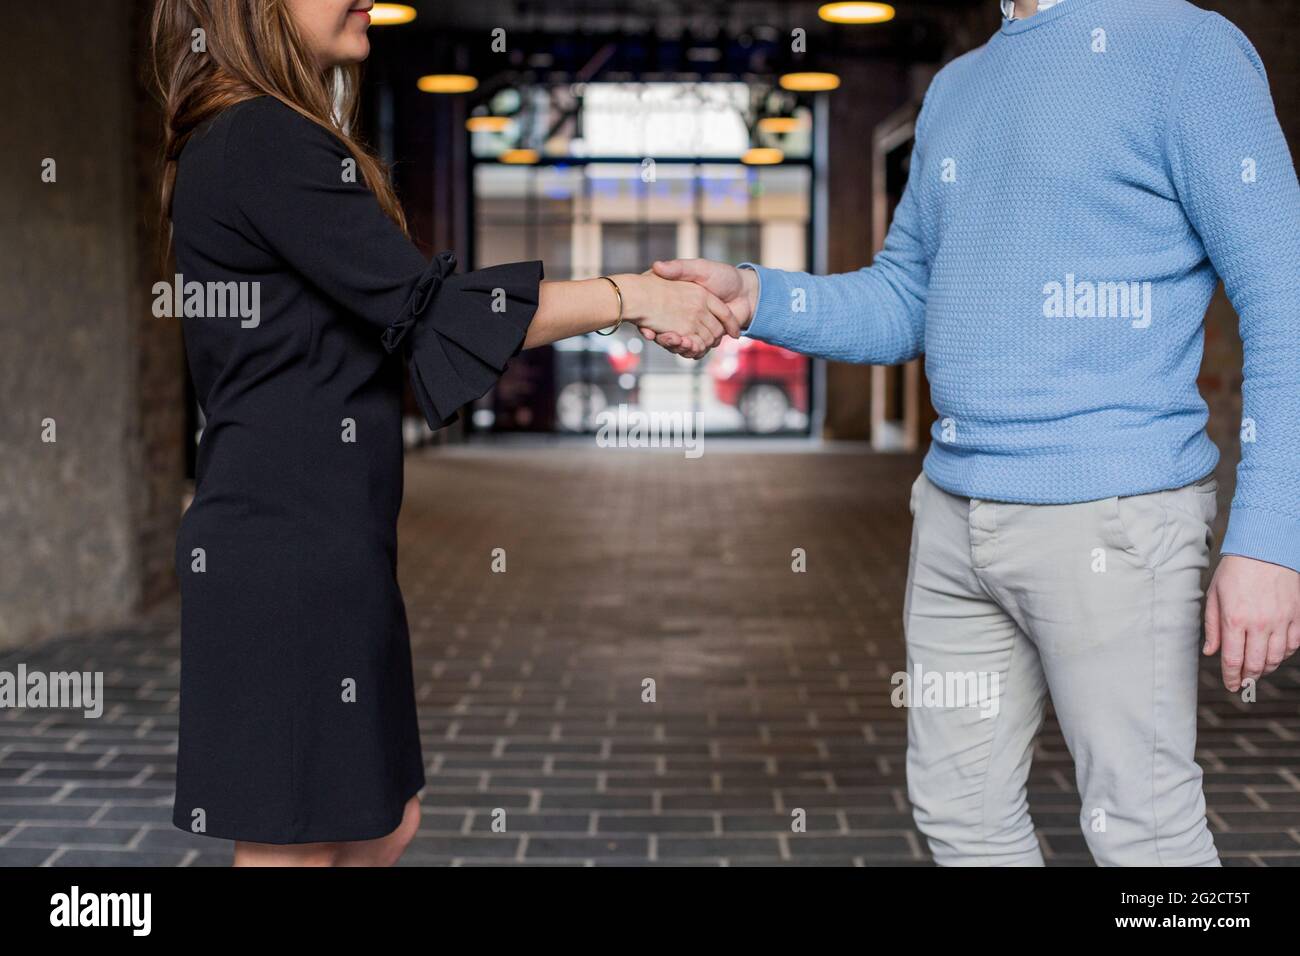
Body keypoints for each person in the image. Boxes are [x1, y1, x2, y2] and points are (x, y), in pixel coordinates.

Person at [651, 0, 1300, 865]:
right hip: (955, 519)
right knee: (960, 813)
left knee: (1142, 832)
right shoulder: (959, 86)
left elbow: (1284, 296)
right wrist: (756, 295)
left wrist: (1271, 537)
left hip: (1115, 520)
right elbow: (905, 298)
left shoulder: (1185, 48)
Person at [153, 0, 734, 866]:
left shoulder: (255, 137)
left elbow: (392, 321)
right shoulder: (261, 137)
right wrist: (635, 294)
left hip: (321, 541)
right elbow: (433, 313)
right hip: (287, 550)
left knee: (383, 822)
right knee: (295, 845)